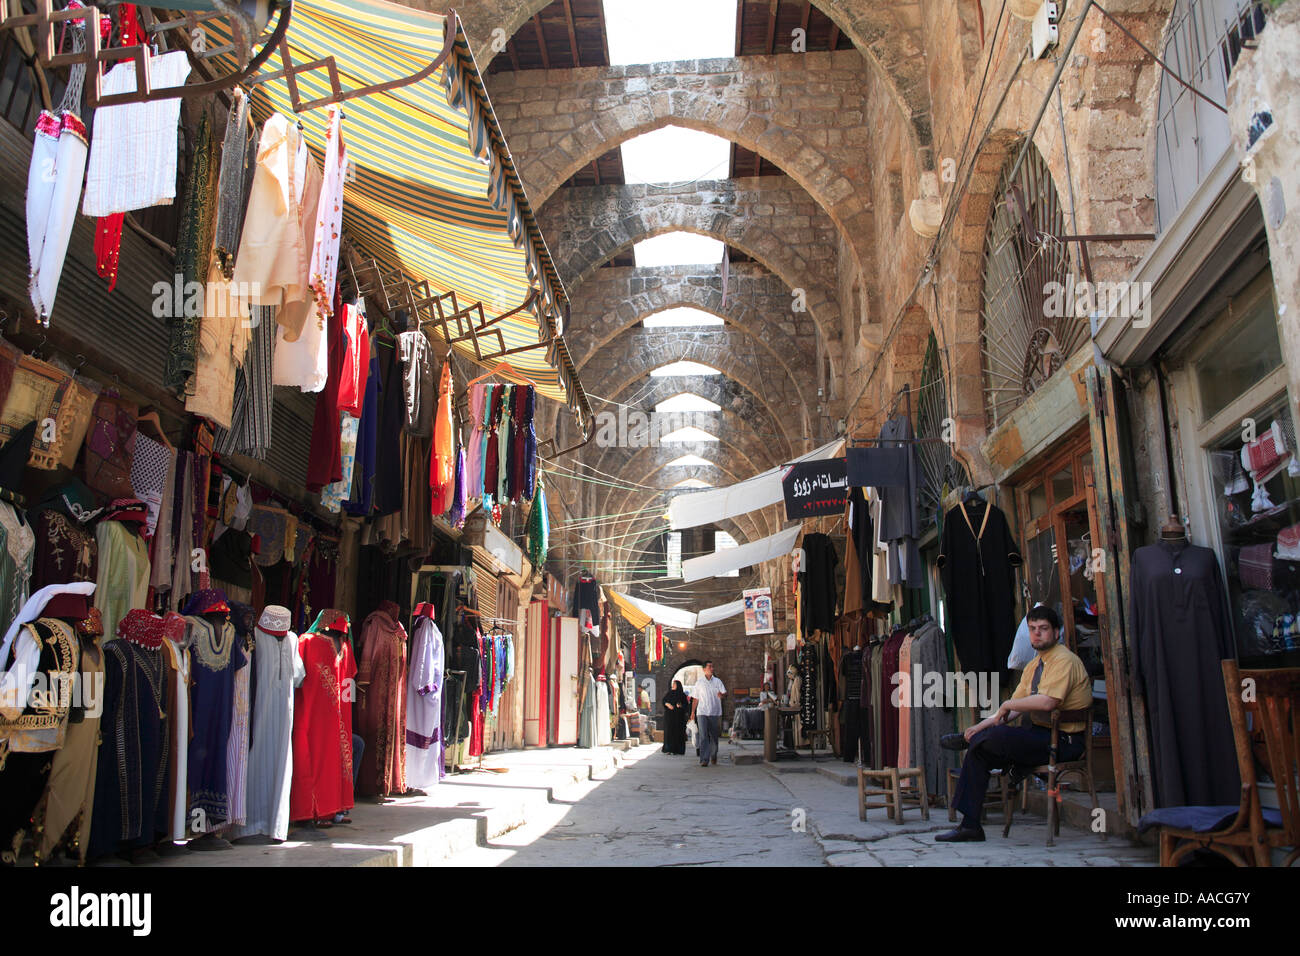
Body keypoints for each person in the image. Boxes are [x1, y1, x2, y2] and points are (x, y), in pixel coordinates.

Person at [935, 605, 1092, 842]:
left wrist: (1008, 708)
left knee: (994, 738)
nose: (1037, 634)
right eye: (1033, 629)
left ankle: (974, 743)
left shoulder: (1064, 660)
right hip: (1040, 737)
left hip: (1064, 741)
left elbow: (1048, 702)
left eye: (1044, 629)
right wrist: (979, 727)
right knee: (981, 749)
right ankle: (970, 825)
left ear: (1056, 633)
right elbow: (1010, 709)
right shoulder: (1034, 666)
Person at [689, 661, 727, 767]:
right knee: (703, 736)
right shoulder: (699, 682)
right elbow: (695, 698)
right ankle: (704, 759)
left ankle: (713, 755)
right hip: (702, 712)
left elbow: (724, 693)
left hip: (714, 712)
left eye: (712, 666)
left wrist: (722, 695)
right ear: (704, 669)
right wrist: (692, 712)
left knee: (714, 736)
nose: (711, 668)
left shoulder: (718, 681)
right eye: (709, 666)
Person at [661, 680, 689, 755]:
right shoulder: (669, 693)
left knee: (678, 733)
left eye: (674, 684)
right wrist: (667, 704)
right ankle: (669, 749)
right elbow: (664, 701)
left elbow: (686, 705)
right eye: (673, 684)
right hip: (669, 717)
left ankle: (677, 750)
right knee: (669, 732)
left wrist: (680, 706)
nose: (673, 685)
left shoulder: (682, 695)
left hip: (678, 718)